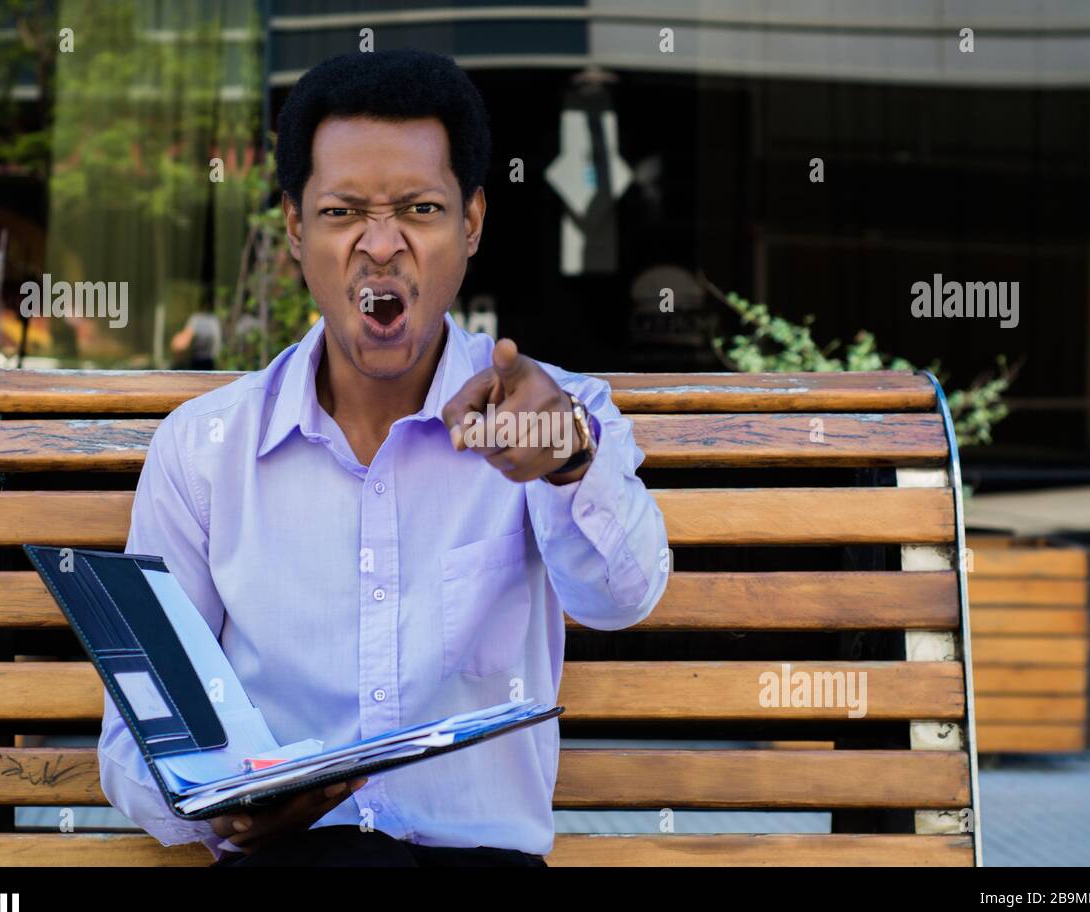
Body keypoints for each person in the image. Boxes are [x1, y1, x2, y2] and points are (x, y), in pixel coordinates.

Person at [97, 48, 670, 867]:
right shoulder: (203, 451)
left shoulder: (556, 416)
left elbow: (623, 598)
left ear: (471, 222)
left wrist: (569, 463)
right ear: (295, 226)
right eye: (342, 212)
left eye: (419, 208)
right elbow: (133, 744)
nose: (380, 244)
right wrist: (218, 807)